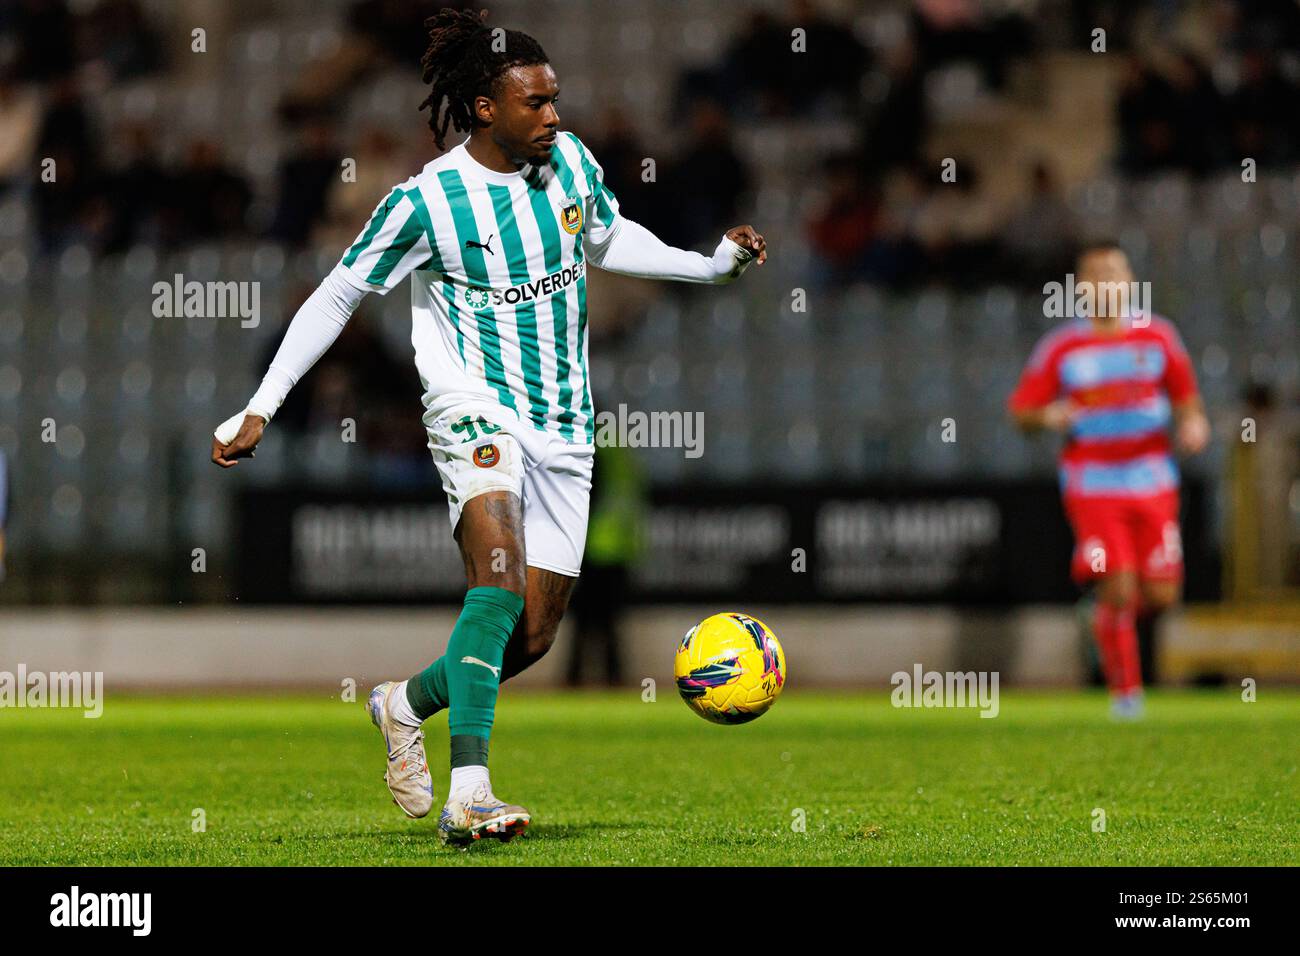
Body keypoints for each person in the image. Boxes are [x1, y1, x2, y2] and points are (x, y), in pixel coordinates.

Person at [210, 8, 766, 846]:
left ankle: (402, 705)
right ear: (482, 108)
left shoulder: (568, 161)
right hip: (474, 404)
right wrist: (263, 404)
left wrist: (709, 264)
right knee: (497, 581)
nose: (555, 115)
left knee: (534, 635)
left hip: (564, 424)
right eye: (536, 104)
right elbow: (337, 296)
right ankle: (468, 792)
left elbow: (608, 237)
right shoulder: (424, 202)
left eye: (556, 99)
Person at [1008, 241, 1209, 718]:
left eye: (1112, 272)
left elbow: (1187, 401)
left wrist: (1193, 425)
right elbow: (1021, 412)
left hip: (1153, 481)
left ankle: (1099, 616)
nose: (1104, 282)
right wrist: (1049, 415)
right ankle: (1127, 694)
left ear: (1130, 281)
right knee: (1118, 587)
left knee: (1161, 594)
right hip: (1093, 483)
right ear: (1079, 288)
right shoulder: (1061, 348)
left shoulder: (1159, 337)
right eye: (1094, 274)